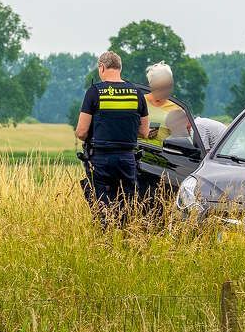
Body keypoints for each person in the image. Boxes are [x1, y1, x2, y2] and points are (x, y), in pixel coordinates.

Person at [75, 51, 149, 228]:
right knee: (128, 206)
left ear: (101, 67)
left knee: (102, 207)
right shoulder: (136, 93)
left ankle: (106, 242)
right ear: (119, 68)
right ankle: (125, 240)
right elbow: (144, 132)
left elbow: (81, 132)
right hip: (127, 158)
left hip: (101, 158)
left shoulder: (94, 92)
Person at [143, 62, 179, 141]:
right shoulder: (140, 101)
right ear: (150, 83)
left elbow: (179, 140)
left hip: (161, 153)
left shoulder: (176, 109)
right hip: (137, 151)